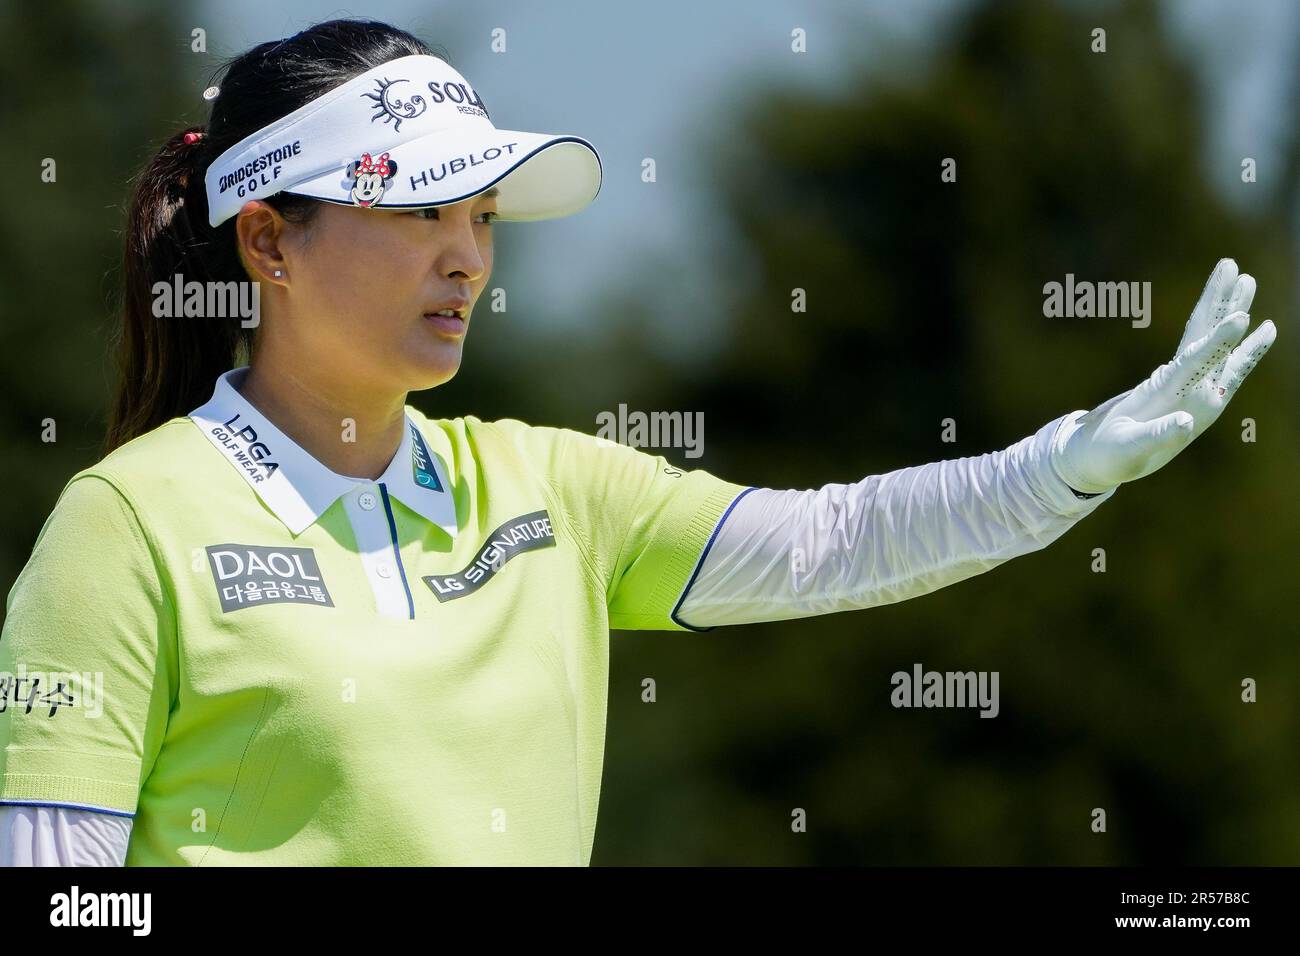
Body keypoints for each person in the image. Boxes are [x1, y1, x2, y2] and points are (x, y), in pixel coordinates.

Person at [0, 18, 1276, 867]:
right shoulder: (126, 527)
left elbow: (834, 541)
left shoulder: (549, 486)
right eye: (419, 208)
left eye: (485, 213)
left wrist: (1063, 465)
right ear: (267, 242)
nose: (467, 255)